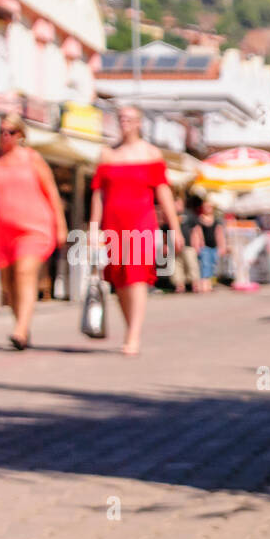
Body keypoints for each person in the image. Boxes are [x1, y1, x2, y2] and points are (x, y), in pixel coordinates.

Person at [89, 104, 183, 356]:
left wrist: (174, 228)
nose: (124, 122)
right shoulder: (107, 154)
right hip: (113, 223)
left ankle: (133, 335)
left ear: (140, 122)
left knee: (136, 274)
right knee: (119, 277)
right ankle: (131, 327)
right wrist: (94, 227)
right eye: (121, 118)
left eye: (129, 118)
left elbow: (164, 192)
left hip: (141, 222)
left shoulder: (151, 154)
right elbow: (98, 194)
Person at [0, 112, 66, 350]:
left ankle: (21, 330)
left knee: (24, 272)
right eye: (1, 131)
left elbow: (52, 193)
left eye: (10, 131)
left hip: (34, 228)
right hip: (1, 232)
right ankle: (21, 326)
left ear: (21, 134)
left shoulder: (33, 159)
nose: (5, 136)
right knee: (9, 282)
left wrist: (61, 225)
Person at [191, 198, 226, 294]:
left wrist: (222, 246)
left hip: (214, 246)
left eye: (209, 207)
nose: (208, 208)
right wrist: (197, 245)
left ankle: (209, 284)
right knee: (205, 265)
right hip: (204, 247)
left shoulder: (217, 220)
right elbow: (196, 233)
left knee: (211, 265)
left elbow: (220, 234)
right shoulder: (199, 220)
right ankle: (204, 285)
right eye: (206, 207)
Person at [171, 196, 200, 293]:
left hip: (188, 245)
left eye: (178, 203)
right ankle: (180, 286)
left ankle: (195, 285)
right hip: (174, 247)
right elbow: (164, 231)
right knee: (176, 267)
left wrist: (197, 243)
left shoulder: (189, 214)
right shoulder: (170, 215)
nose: (176, 205)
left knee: (191, 265)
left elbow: (195, 230)